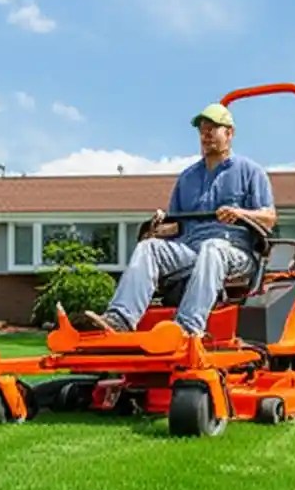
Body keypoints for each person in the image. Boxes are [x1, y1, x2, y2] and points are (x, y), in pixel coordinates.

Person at [85, 102, 277, 336]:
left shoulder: (250, 171)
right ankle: (120, 319)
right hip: (191, 250)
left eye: (212, 128)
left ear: (229, 133)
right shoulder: (188, 178)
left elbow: (269, 218)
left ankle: (187, 328)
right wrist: (159, 227)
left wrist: (240, 213)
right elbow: (176, 227)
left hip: (235, 253)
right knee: (149, 248)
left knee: (212, 247)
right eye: (202, 130)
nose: (205, 135)